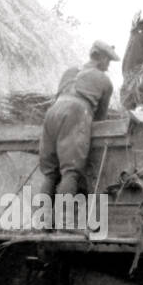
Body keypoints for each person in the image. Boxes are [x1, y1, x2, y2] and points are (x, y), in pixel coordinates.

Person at [37, 41, 117, 200]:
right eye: (108, 60)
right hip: (76, 112)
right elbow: (100, 119)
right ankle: (63, 222)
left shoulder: (70, 72)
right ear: (100, 58)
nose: (108, 65)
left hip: (53, 112)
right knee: (71, 171)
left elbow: (59, 96)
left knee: (50, 174)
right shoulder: (104, 81)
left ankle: (43, 222)